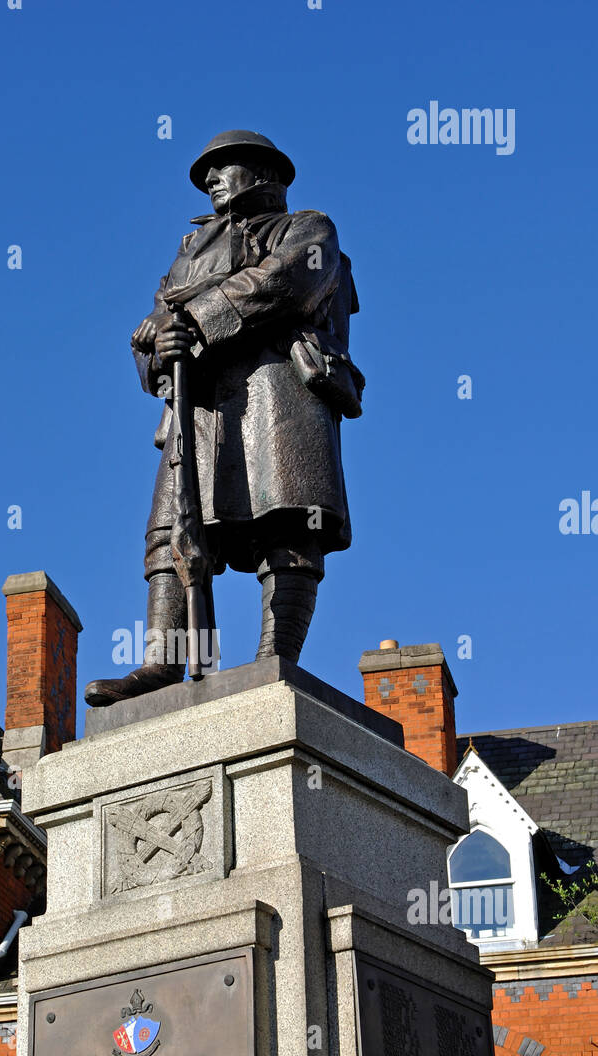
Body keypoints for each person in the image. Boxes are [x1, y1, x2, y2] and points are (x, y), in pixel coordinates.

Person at [84, 129, 364, 707]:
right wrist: (158, 343)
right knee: (172, 535)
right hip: (201, 407)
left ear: (263, 175)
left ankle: (275, 658)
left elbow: (281, 284)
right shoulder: (188, 253)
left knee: (287, 524)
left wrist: (199, 319)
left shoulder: (309, 229)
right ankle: (163, 663)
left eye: (221, 169)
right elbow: (155, 329)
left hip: (276, 395)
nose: (210, 180)